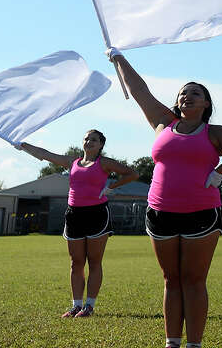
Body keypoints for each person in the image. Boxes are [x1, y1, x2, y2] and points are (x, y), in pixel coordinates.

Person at [108, 50, 222, 348]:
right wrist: (119, 59)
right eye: (183, 93)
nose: (188, 96)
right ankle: (170, 345)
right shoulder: (163, 123)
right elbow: (139, 91)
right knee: (170, 279)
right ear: (177, 103)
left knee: (193, 280)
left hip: (201, 214)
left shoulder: (214, 133)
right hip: (160, 212)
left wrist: (221, 172)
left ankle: (194, 347)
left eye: (196, 93)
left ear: (206, 104)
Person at [16, 131, 138, 318]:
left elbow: (133, 173)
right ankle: (76, 305)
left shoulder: (104, 163)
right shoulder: (72, 162)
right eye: (86, 139)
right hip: (74, 214)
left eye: (94, 140)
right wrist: (23, 146)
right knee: (76, 263)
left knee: (94, 262)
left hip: (97, 214)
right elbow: (45, 154)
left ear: (100, 145)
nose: (89, 142)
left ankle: (89, 306)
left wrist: (110, 188)